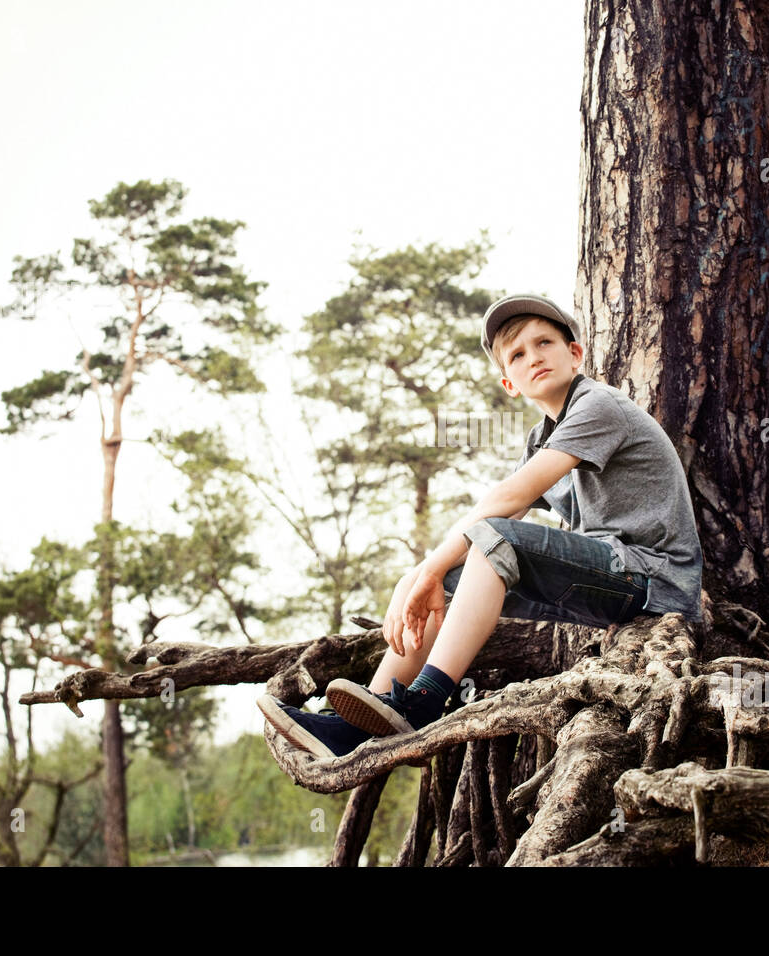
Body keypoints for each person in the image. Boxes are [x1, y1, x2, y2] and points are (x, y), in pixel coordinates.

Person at [257, 292, 704, 759]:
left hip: (656, 579)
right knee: (450, 578)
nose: (534, 358)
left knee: (478, 549)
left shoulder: (598, 406)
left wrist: (417, 573)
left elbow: (505, 503)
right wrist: (424, 579)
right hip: (612, 583)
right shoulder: (541, 439)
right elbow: (502, 516)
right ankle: (358, 723)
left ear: (574, 354)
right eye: (517, 355)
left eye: (544, 343)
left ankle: (425, 702)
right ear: (509, 383)